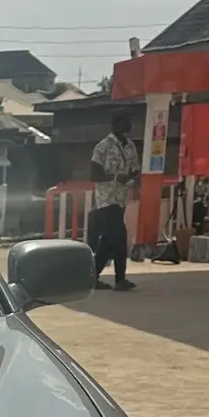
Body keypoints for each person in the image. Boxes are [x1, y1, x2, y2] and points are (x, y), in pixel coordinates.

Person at [88, 110, 140, 290]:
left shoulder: (130, 146)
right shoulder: (103, 146)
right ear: (117, 124)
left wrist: (133, 180)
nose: (130, 125)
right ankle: (94, 276)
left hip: (121, 199)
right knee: (113, 237)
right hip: (106, 199)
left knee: (116, 238)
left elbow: (135, 170)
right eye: (127, 121)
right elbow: (94, 174)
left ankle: (117, 279)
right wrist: (116, 177)